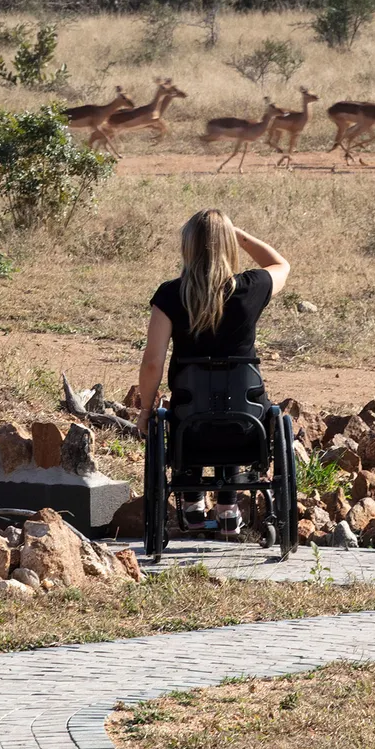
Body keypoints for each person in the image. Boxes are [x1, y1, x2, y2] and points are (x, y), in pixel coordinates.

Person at [131, 209, 291, 536]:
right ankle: (228, 507)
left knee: (190, 405)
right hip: (246, 423)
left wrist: (146, 411)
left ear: (188, 246)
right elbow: (281, 265)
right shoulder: (251, 287)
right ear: (228, 244)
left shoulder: (170, 295)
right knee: (233, 401)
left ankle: (191, 503)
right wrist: (240, 235)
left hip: (191, 420)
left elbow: (152, 362)